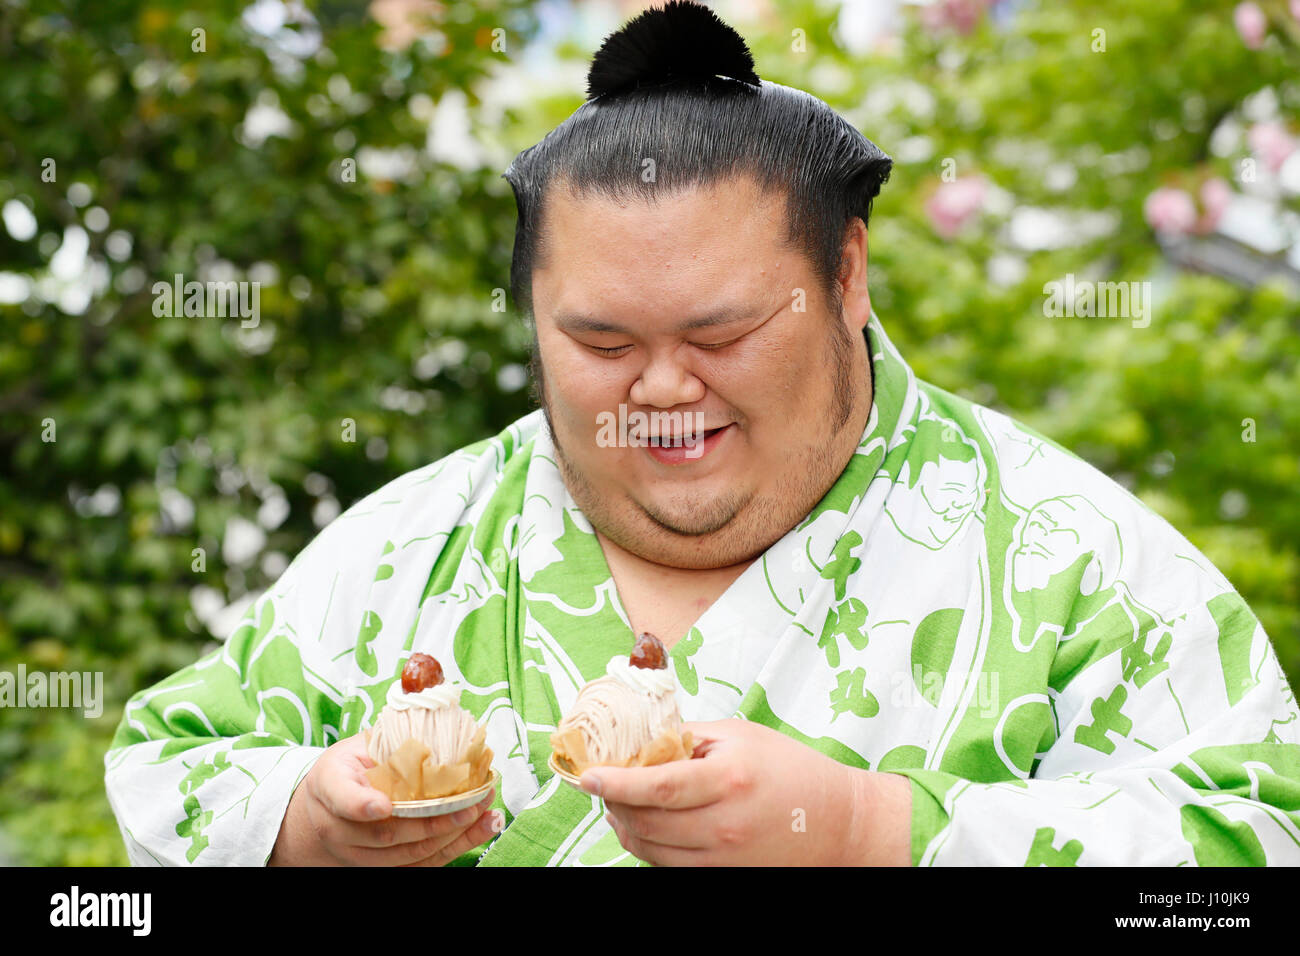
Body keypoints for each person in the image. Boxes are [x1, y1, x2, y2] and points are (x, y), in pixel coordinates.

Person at [104, 0, 1300, 867]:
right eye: (601, 341)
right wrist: (304, 824)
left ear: (845, 275)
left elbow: (1255, 840)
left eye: (722, 332)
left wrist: (870, 830)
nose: (662, 387)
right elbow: (172, 757)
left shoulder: (1070, 556)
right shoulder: (409, 544)